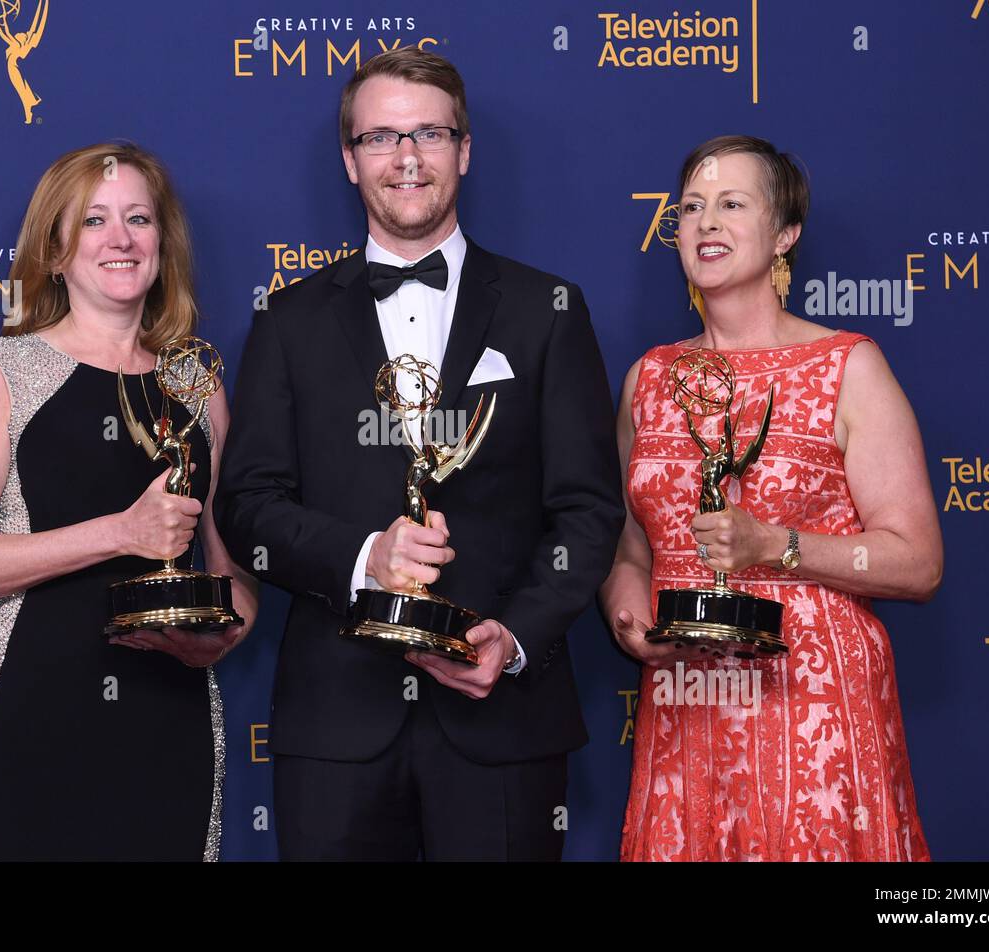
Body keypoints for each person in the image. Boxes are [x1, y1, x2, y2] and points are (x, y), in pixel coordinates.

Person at [215, 46, 624, 861]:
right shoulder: (287, 322)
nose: (406, 158)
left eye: (429, 134)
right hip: (337, 724)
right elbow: (248, 504)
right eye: (380, 138)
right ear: (349, 159)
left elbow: (587, 508)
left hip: (502, 720)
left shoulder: (548, 310)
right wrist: (366, 555)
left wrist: (513, 636)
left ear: (464, 151)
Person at [602, 135, 942, 861]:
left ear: (786, 232)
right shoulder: (650, 379)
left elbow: (917, 563)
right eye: (691, 208)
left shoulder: (849, 367)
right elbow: (632, 547)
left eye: (731, 204)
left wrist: (775, 547)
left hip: (815, 703)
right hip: (689, 707)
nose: (705, 223)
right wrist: (626, 609)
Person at [0, 142, 257, 861]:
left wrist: (222, 636)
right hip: (35, 708)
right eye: (95, 220)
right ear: (53, 248)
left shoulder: (199, 388)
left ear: (163, 245)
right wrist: (119, 532)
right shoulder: (0, 370)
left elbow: (234, 575)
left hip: (172, 715)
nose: (121, 239)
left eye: (138, 218)